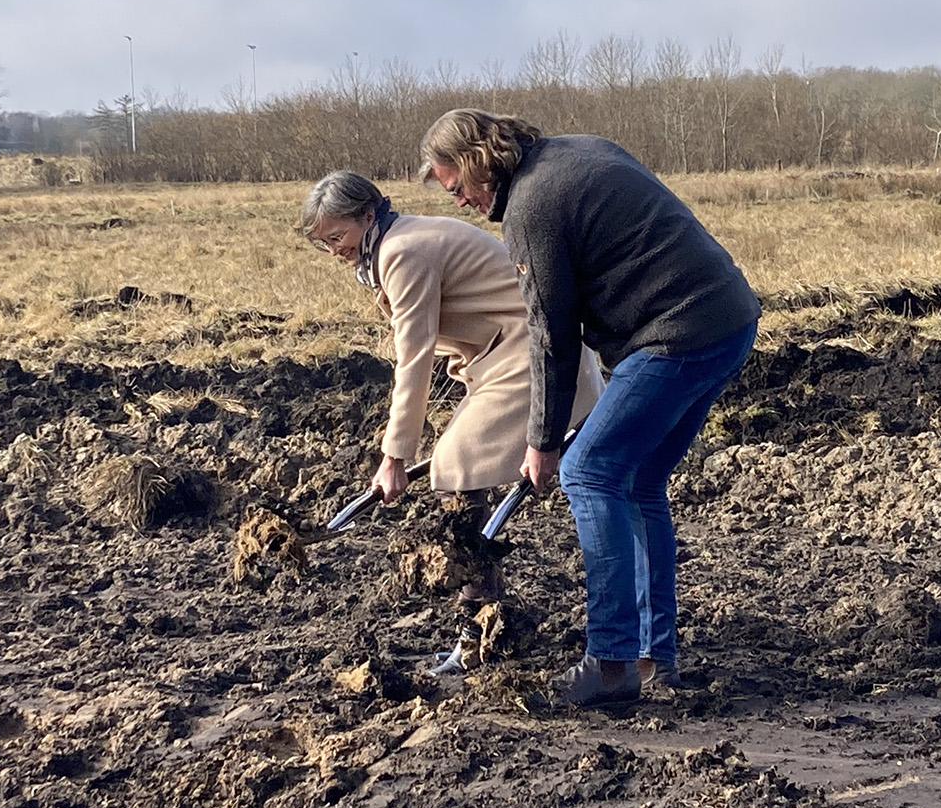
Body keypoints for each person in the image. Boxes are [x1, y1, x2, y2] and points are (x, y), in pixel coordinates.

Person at [419, 111, 760, 707]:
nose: (464, 201)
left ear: (477, 161)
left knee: (589, 472)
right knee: (642, 482)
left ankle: (609, 664)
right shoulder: (576, 150)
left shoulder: (532, 206)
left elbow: (551, 332)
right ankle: (656, 658)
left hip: (675, 332)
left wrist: (544, 442)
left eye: (459, 188)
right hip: (728, 319)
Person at [301, 171, 602, 569]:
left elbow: (414, 355)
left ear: (368, 216)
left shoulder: (402, 252)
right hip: (507, 357)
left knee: (455, 464)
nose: (334, 251)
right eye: (324, 244)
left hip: (530, 358)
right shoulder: (396, 241)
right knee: (455, 463)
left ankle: (476, 595)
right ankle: (476, 590)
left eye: (337, 238)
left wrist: (394, 457)